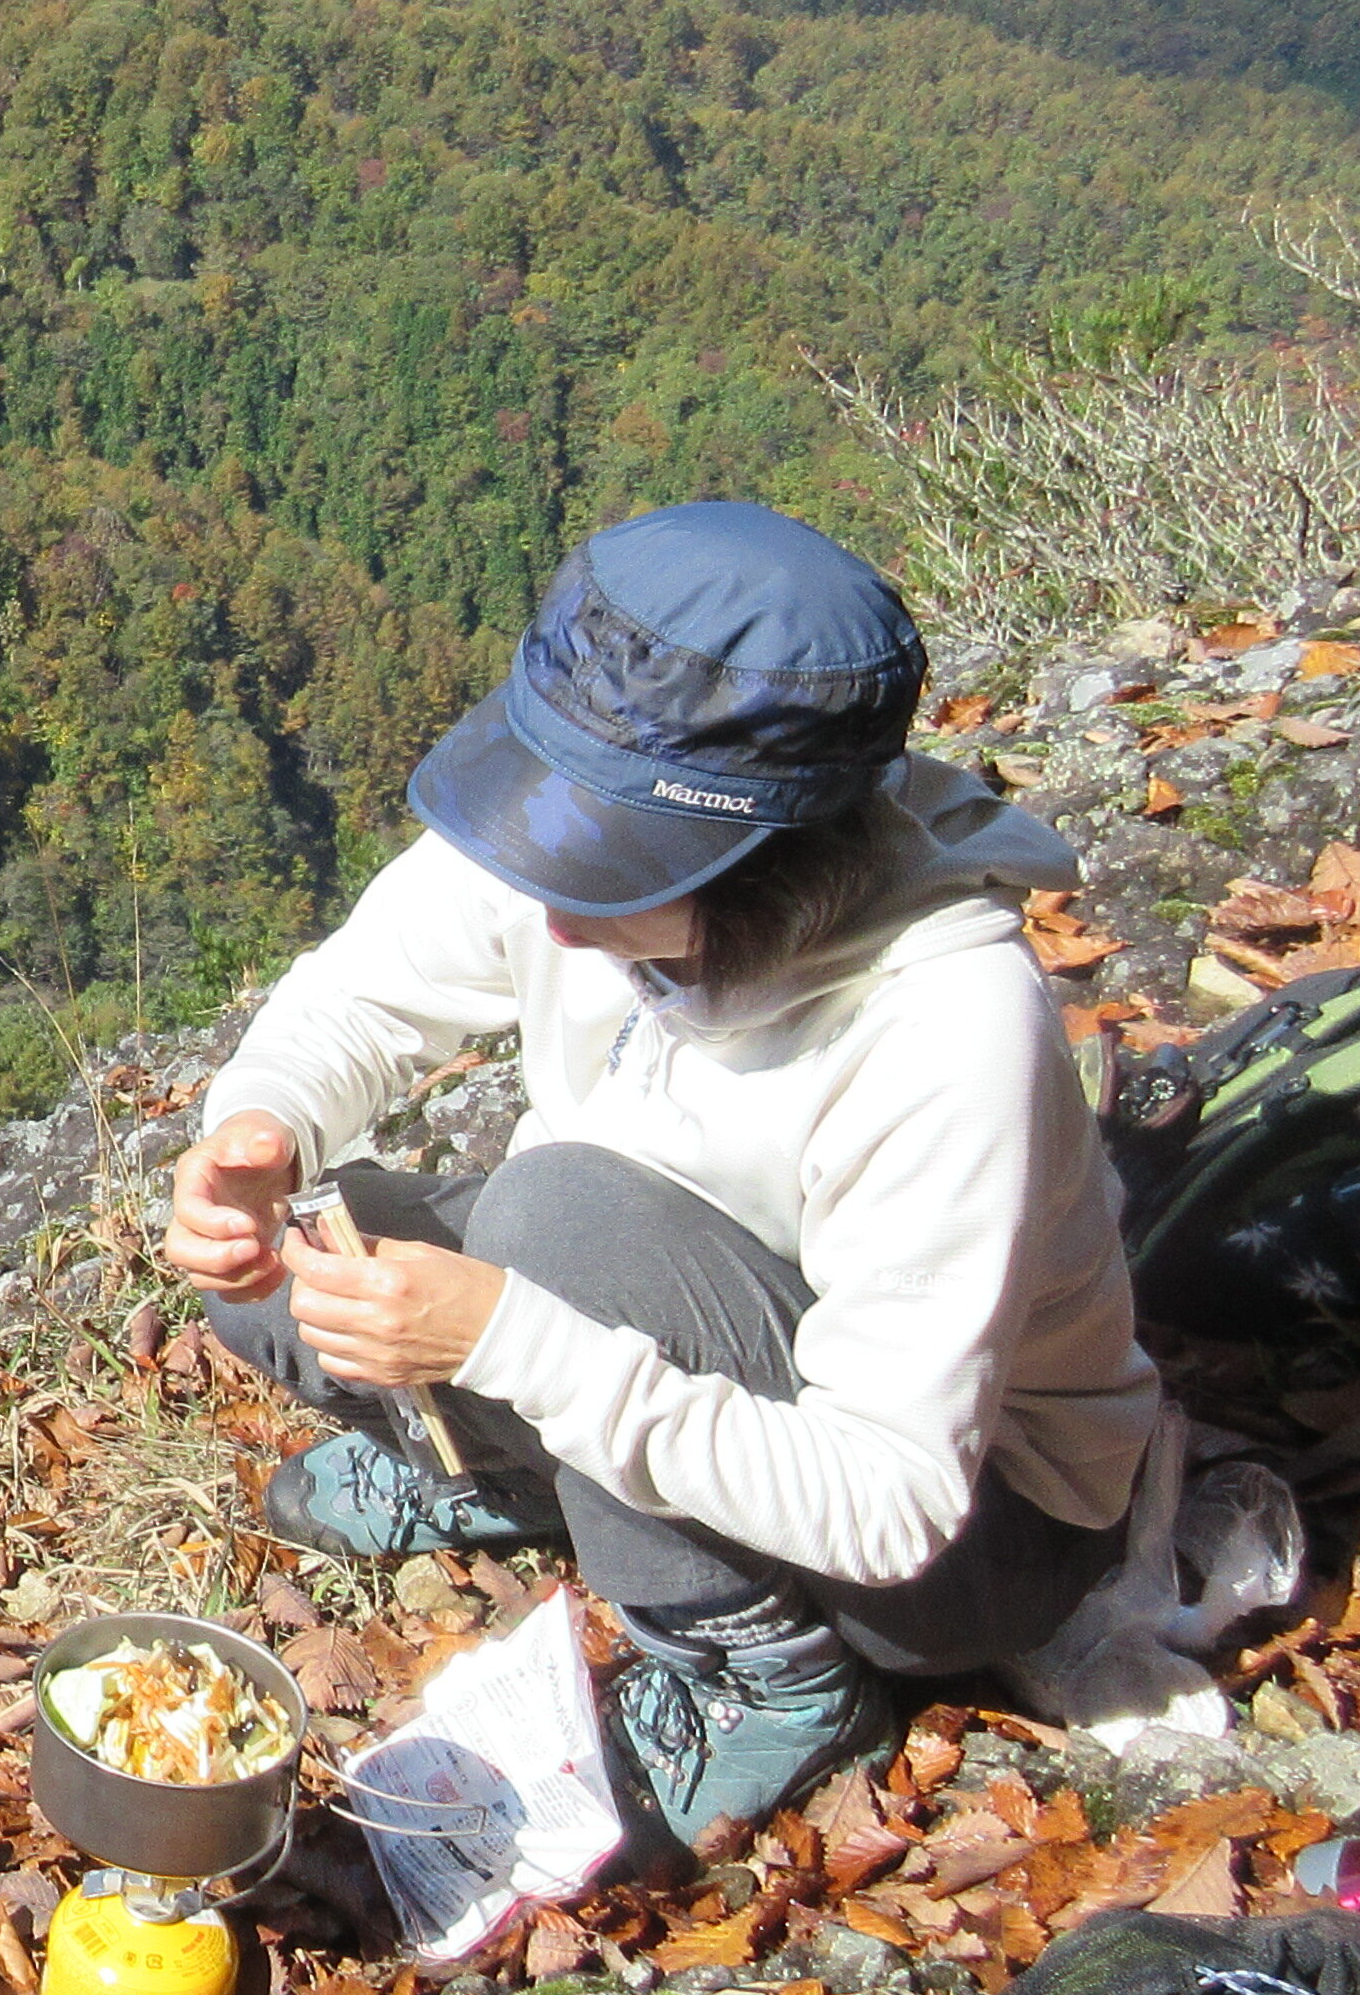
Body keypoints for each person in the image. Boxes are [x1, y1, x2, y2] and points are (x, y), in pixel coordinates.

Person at [165, 500, 1159, 1853]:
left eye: (617, 864)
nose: (557, 908)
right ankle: (524, 1479)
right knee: (281, 1260)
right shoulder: (584, 845)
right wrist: (260, 1129)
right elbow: (359, 999)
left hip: (974, 1542)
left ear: (775, 859)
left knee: (557, 1217)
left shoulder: (944, 1026)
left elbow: (890, 1504)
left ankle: (767, 1677)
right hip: (676, 1325)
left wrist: (511, 1338)